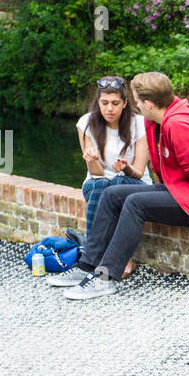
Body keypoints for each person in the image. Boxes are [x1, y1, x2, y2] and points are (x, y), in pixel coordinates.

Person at [46, 72, 189, 300]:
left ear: (149, 104)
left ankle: (105, 278)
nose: (134, 106)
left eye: (135, 101)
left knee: (135, 203)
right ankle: (88, 266)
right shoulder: (160, 120)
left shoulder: (177, 125)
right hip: (180, 191)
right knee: (113, 194)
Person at [77, 76, 152, 276]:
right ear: (98, 103)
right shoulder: (86, 123)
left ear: (125, 103)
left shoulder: (138, 123)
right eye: (104, 103)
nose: (109, 108)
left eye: (115, 103)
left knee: (116, 185)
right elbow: (96, 173)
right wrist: (92, 159)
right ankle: (101, 257)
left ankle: (94, 257)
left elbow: (138, 171)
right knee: (103, 185)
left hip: (133, 182)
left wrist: (125, 168)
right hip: (96, 184)